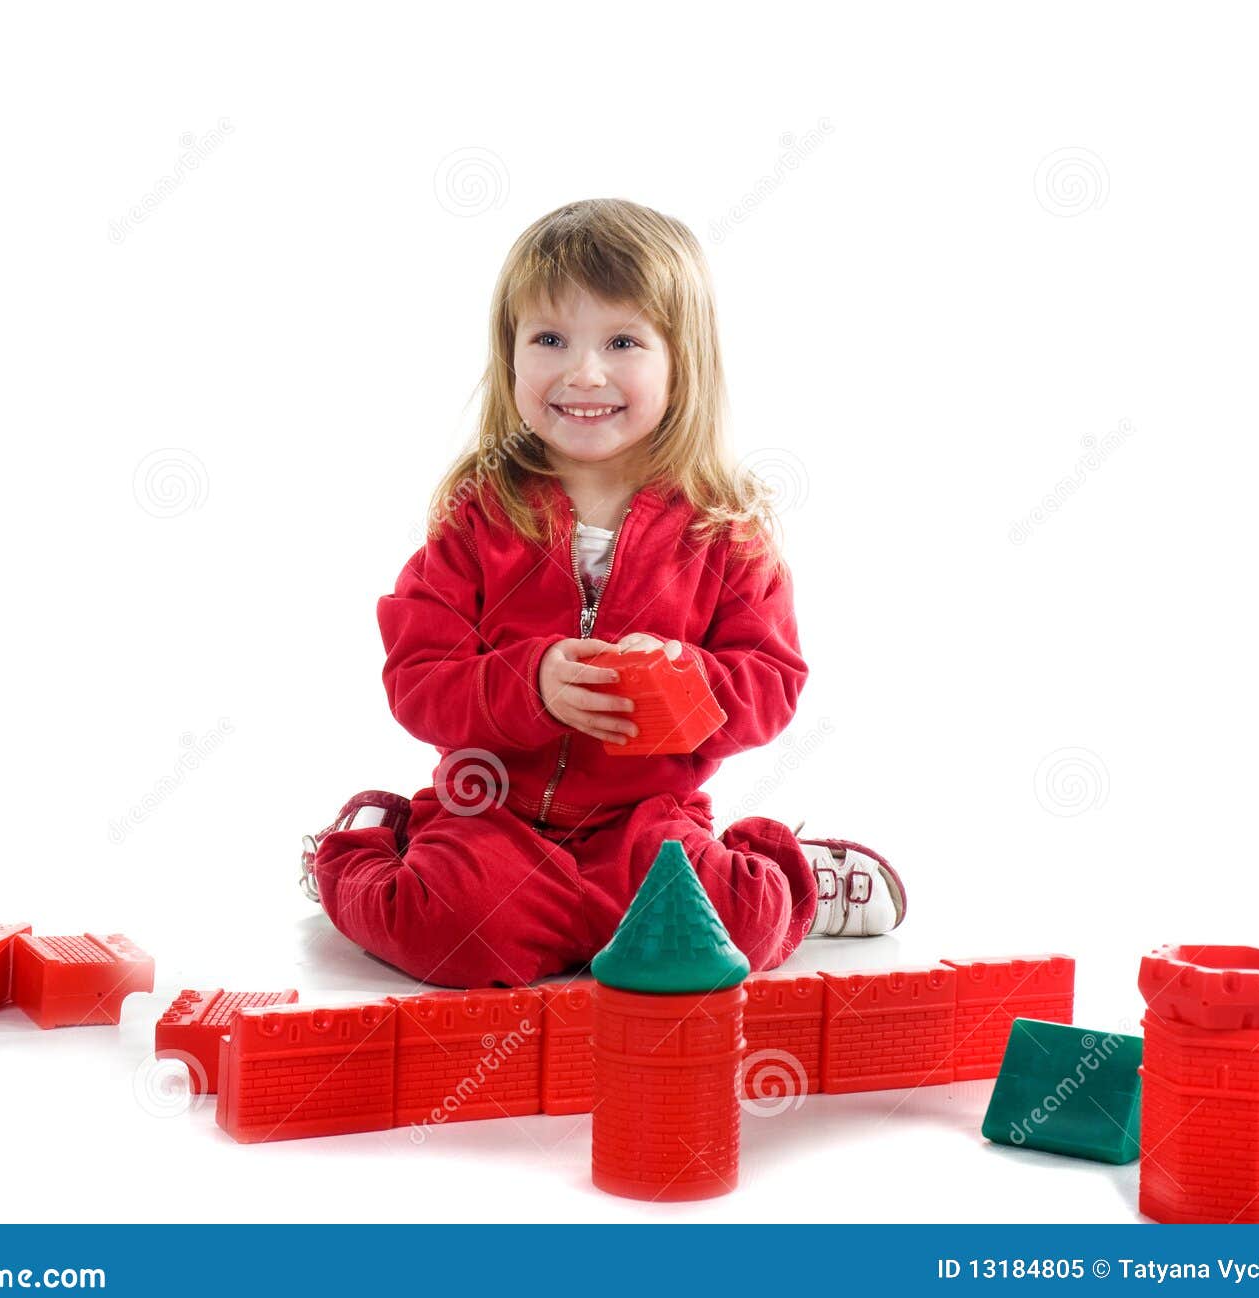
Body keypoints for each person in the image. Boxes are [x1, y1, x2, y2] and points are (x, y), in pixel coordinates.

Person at [302, 198, 905, 989]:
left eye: (622, 341)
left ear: (680, 362)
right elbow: (418, 678)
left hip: (642, 821)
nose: (584, 372)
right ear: (510, 357)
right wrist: (531, 681)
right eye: (550, 339)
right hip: (491, 812)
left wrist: (691, 683)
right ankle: (366, 846)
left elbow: (773, 682)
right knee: (451, 931)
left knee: (730, 934)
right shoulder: (478, 516)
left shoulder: (724, 529)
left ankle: (800, 875)